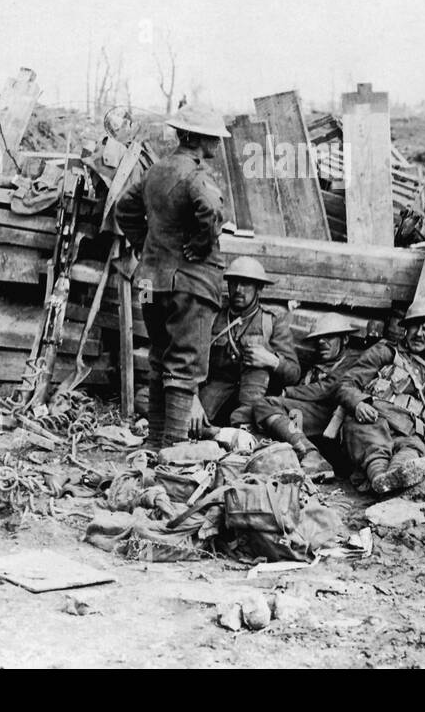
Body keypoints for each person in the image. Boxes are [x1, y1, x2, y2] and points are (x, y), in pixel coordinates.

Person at [114, 108, 229, 444]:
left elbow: (124, 208)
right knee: (184, 365)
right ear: (193, 138)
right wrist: (199, 245)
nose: (217, 144)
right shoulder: (195, 176)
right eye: (212, 138)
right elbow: (211, 209)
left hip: (149, 285)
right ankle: (174, 450)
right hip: (188, 286)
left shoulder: (155, 172)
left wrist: (144, 248)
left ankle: (154, 443)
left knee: (159, 357)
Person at [336, 298, 425, 498]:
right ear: (405, 328)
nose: (419, 334)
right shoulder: (385, 351)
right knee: (369, 440)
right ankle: (381, 478)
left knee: (411, 453)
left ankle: (392, 480)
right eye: (414, 326)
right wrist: (359, 403)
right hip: (375, 421)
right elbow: (346, 384)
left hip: (412, 434)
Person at [197, 256, 316, 461]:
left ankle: (243, 435)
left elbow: (294, 374)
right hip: (217, 394)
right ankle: (218, 433)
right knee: (149, 400)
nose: (239, 289)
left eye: (246, 284)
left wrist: (271, 360)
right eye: (234, 282)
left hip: (255, 401)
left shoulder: (272, 322)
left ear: (259, 288)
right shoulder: (214, 318)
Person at [238, 311, 361, 476]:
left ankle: (311, 455)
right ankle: (269, 457)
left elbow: (329, 388)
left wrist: (287, 392)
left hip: (329, 418)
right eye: (318, 339)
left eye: (329, 337)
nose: (322, 342)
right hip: (306, 414)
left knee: (266, 405)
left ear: (345, 339)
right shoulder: (316, 365)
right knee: (244, 413)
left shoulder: (352, 362)